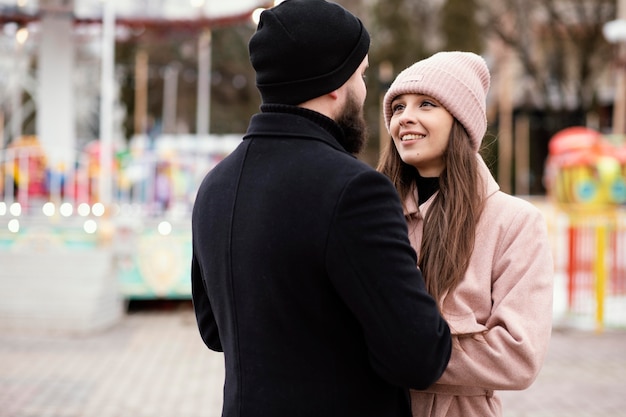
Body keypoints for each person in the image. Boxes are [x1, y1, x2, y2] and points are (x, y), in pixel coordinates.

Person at [190, 1, 452, 416]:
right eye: (362, 75)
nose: (365, 91)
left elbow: (213, 329)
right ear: (335, 82)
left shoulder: (214, 186)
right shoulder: (355, 190)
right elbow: (418, 356)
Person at [377, 51, 554, 417]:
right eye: (397, 108)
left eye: (426, 104)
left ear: (461, 121)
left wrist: (407, 352)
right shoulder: (372, 215)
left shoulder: (514, 222)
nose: (405, 117)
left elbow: (518, 356)